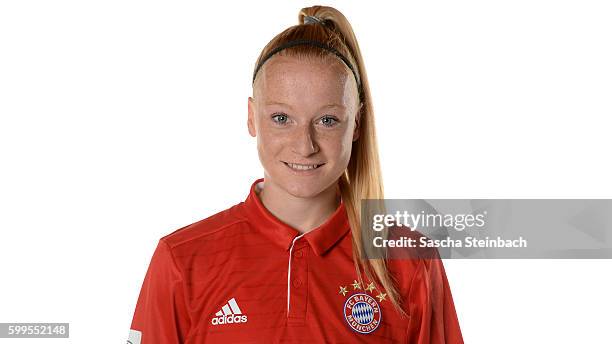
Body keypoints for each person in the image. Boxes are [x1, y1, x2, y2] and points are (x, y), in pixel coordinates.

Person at [127, 5, 464, 343]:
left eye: (327, 120)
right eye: (281, 118)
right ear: (251, 117)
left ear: (357, 124)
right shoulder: (182, 260)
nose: (305, 146)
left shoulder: (409, 260)